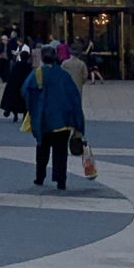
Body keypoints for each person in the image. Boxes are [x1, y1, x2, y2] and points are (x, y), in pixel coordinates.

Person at [23, 43, 85, 190]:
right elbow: (74, 97)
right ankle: (61, 179)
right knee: (61, 151)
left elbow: (26, 91)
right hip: (63, 120)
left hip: (44, 119)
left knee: (42, 149)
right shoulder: (64, 75)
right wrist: (78, 123)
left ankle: (40, 176)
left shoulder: (38, 73)